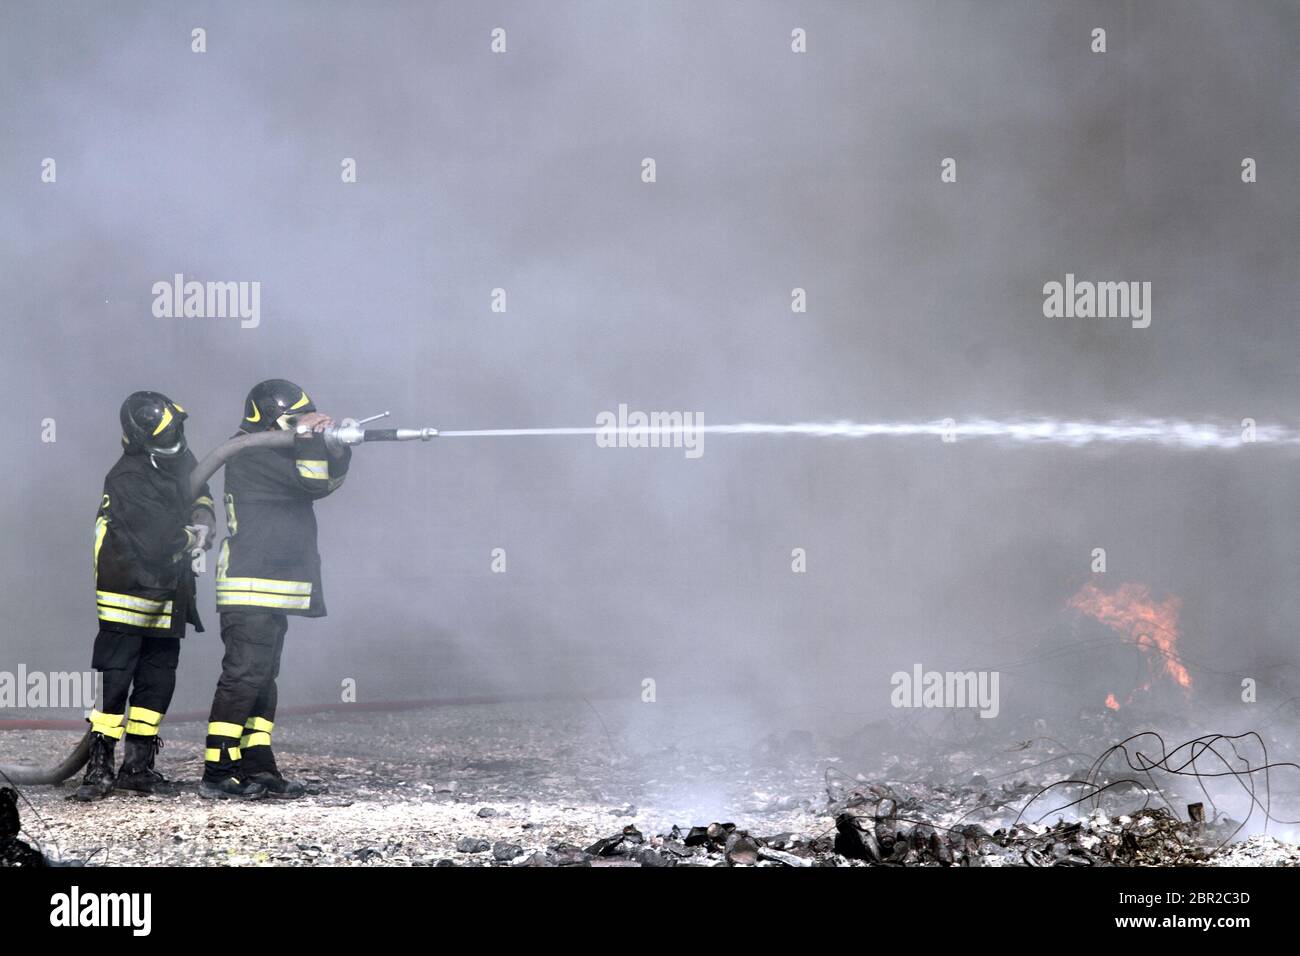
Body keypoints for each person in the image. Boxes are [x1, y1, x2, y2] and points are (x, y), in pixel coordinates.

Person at [200, 379, 350, 800]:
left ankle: (258, 767)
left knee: (263, 679)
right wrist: (311, 441)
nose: (309, 423)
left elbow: (326, 483)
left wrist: (337, 447)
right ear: (273, 421)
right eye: (298, 419)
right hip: (250, 585)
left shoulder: (273, 452)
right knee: (244, 676)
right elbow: (313, 482)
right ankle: (217, 770)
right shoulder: (251, 452)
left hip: (271, 587)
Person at [74, 391, 216, 801]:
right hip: (127, 590)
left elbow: (199, 490)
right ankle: (98, 769)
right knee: (117, 681)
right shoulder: (127, 476)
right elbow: (156, 540)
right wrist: (192, 536)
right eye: (165, 433)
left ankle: (137, 768)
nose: (173, 439)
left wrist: (203, 518)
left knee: (157, 679)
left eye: (175, 431)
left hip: (168, 591)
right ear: (138, 438)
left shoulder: (177, 459)